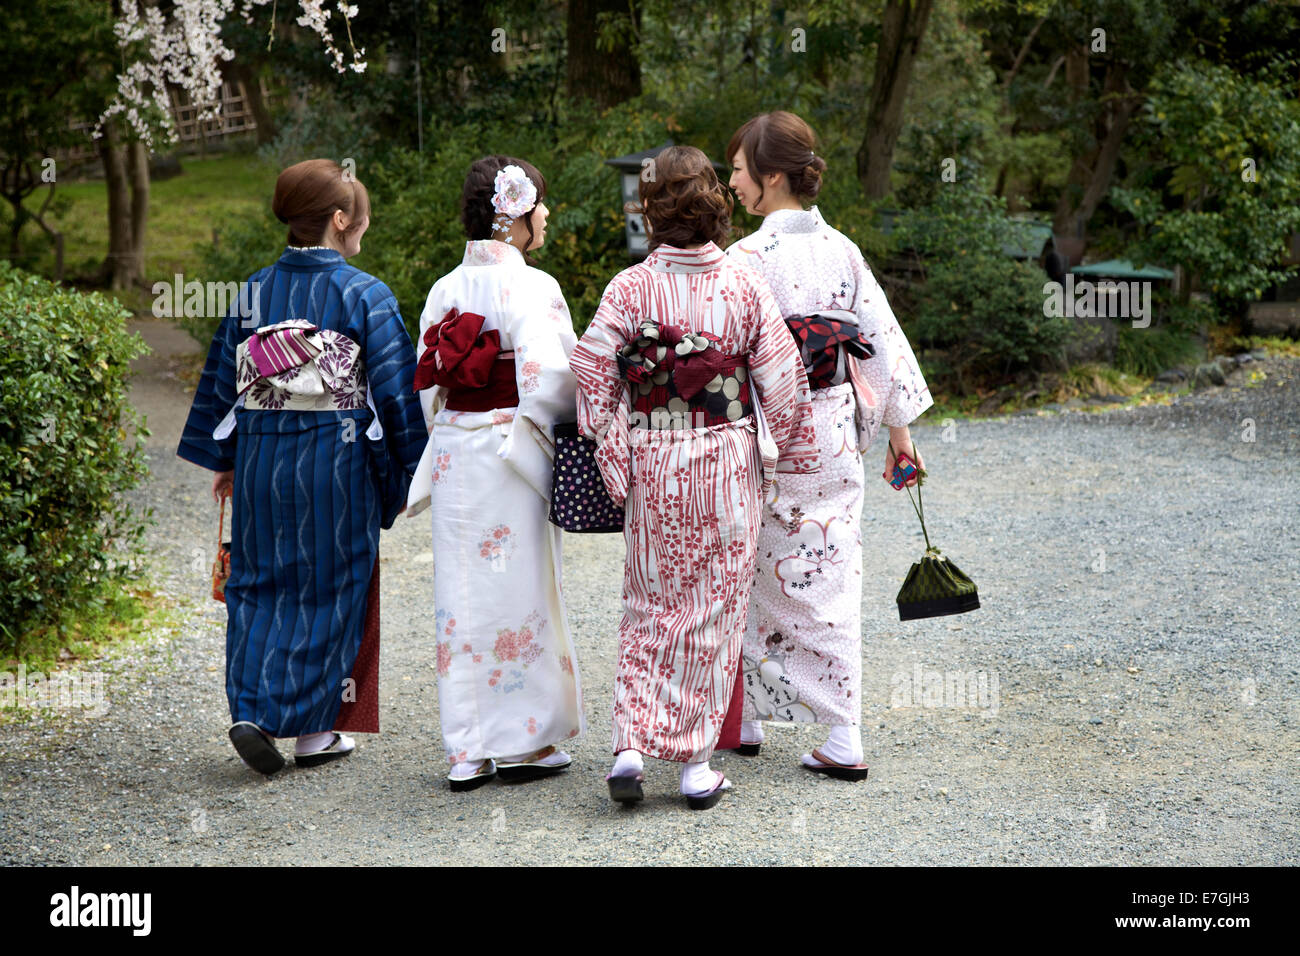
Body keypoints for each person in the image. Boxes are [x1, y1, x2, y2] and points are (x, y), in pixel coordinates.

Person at [569, 145, 818, 809]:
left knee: (648, 603)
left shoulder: (631, 287)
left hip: (654, 456)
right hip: (723, 458)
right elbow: (783, 382)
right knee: (712, 611)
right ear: (712, 204)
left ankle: (629, 746)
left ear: (650, 212)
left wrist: (615, 448)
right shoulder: (741, 285)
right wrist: (779, 454)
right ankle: (695, 768)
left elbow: (592, 369)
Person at [178, 158, 426, 774]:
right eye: (361, 220)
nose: (363, 231)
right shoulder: (364, 294)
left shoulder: (253, 291)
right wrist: (414, 465)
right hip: (333, 458)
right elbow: (395, 390)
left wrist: (227, 459)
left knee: (260, 579)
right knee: (332, 581)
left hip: (262, 456)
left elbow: (222, 388)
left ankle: (254, 711)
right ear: (340, 221)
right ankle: (316, 731)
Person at [725, 111, 933, 779]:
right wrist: (899, 437)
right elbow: (882, 345)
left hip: (768, 435)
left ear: (772, 177)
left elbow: (729, 359)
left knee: (751, 571)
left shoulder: (745, 260)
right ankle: (823, 730)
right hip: (834, 428)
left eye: (738, 170)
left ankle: (765, 721)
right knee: (830, 575)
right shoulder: (843, 250)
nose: (731, 182)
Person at [406, 156, 584, 792]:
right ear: (513, 215)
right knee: (523, 590)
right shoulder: (535, 287)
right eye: (540, 208)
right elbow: (554, 382)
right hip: (512, 451)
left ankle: (466, 750)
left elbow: (430, 387)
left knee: (459, 595)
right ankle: (525, 744)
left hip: (458, 449)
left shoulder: (443, 289)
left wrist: (455, 425)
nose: (546, 217)